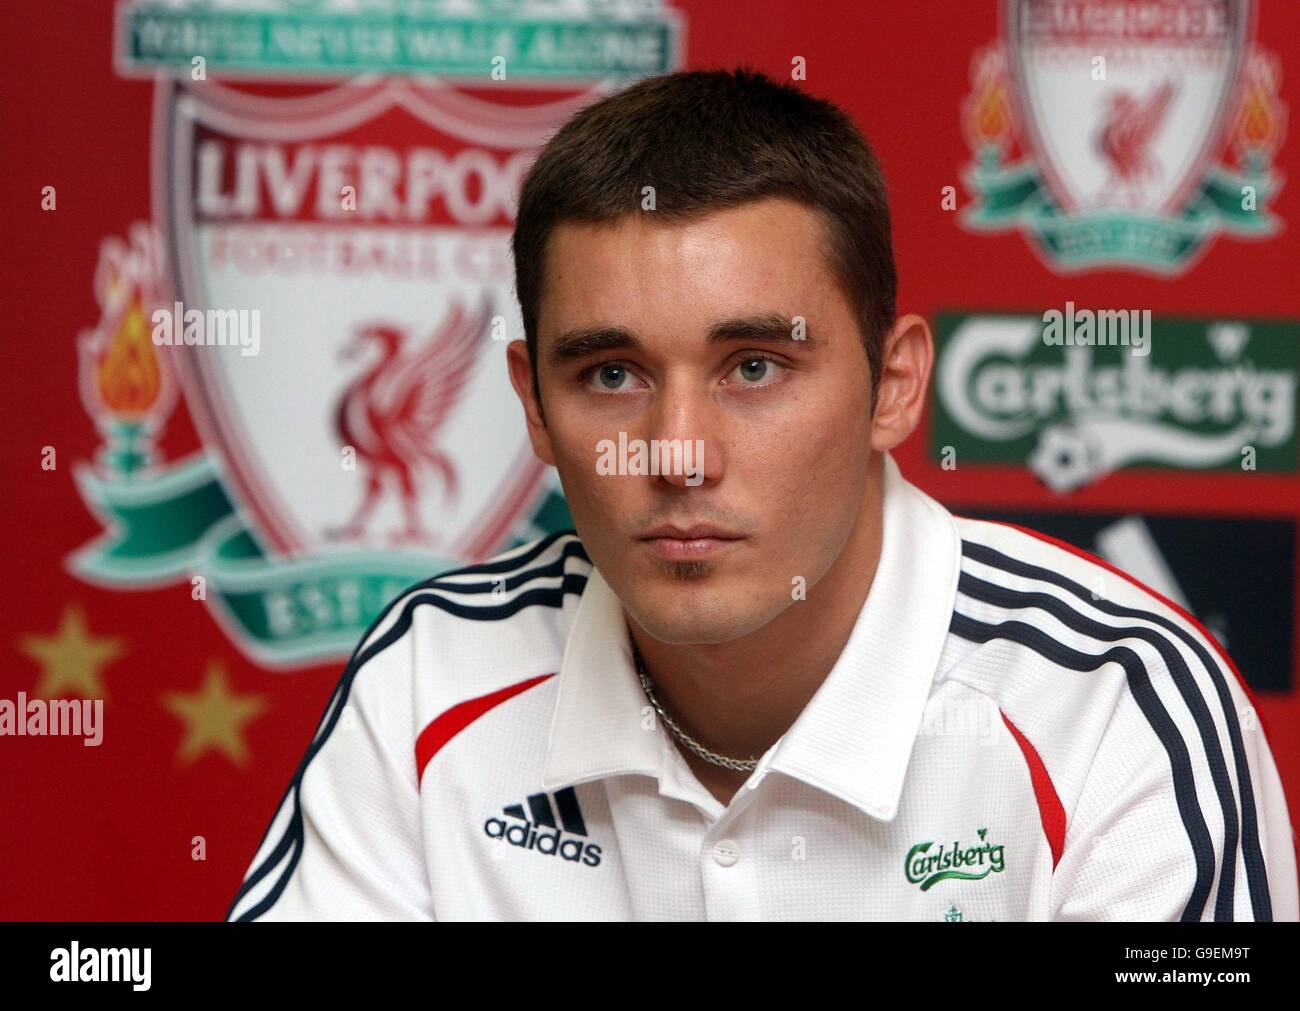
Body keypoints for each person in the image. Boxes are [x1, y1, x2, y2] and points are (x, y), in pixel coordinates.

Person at [227, 67, 1298, 922]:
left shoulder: (1112, 708)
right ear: (535, 409)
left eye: (753, 367)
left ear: (893, 385)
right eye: (611, 375)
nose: (677, 454)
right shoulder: (431, 678)